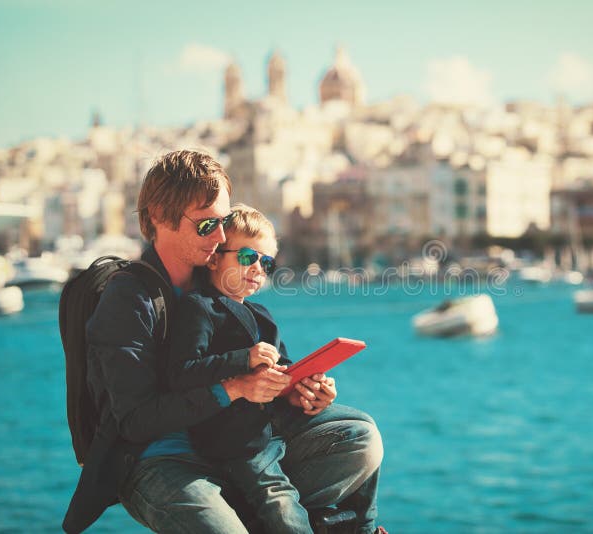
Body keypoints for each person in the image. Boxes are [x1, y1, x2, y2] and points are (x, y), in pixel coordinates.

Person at [63, 150, 384, 534]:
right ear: (159, 217)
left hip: (240, 442)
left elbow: (265, 364)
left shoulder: (219, 280)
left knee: (361, 437)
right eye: (206, 225)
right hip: (161, 460)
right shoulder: (129, 301)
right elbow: (135, 422)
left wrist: (295, 390)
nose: (219, 237)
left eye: (223, 222)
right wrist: (232, 389)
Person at [167, 203, 349, 533]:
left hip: (271, 432)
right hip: (235, 442)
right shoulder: (199, 308)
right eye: (248, 257)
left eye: (266, 262)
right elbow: (182, 372)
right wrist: (243, 360)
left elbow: (285, 368)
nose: (258, 269)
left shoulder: (261, 314)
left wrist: (310, 388)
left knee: (357, 439)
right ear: (215, 258)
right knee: (281, 503)